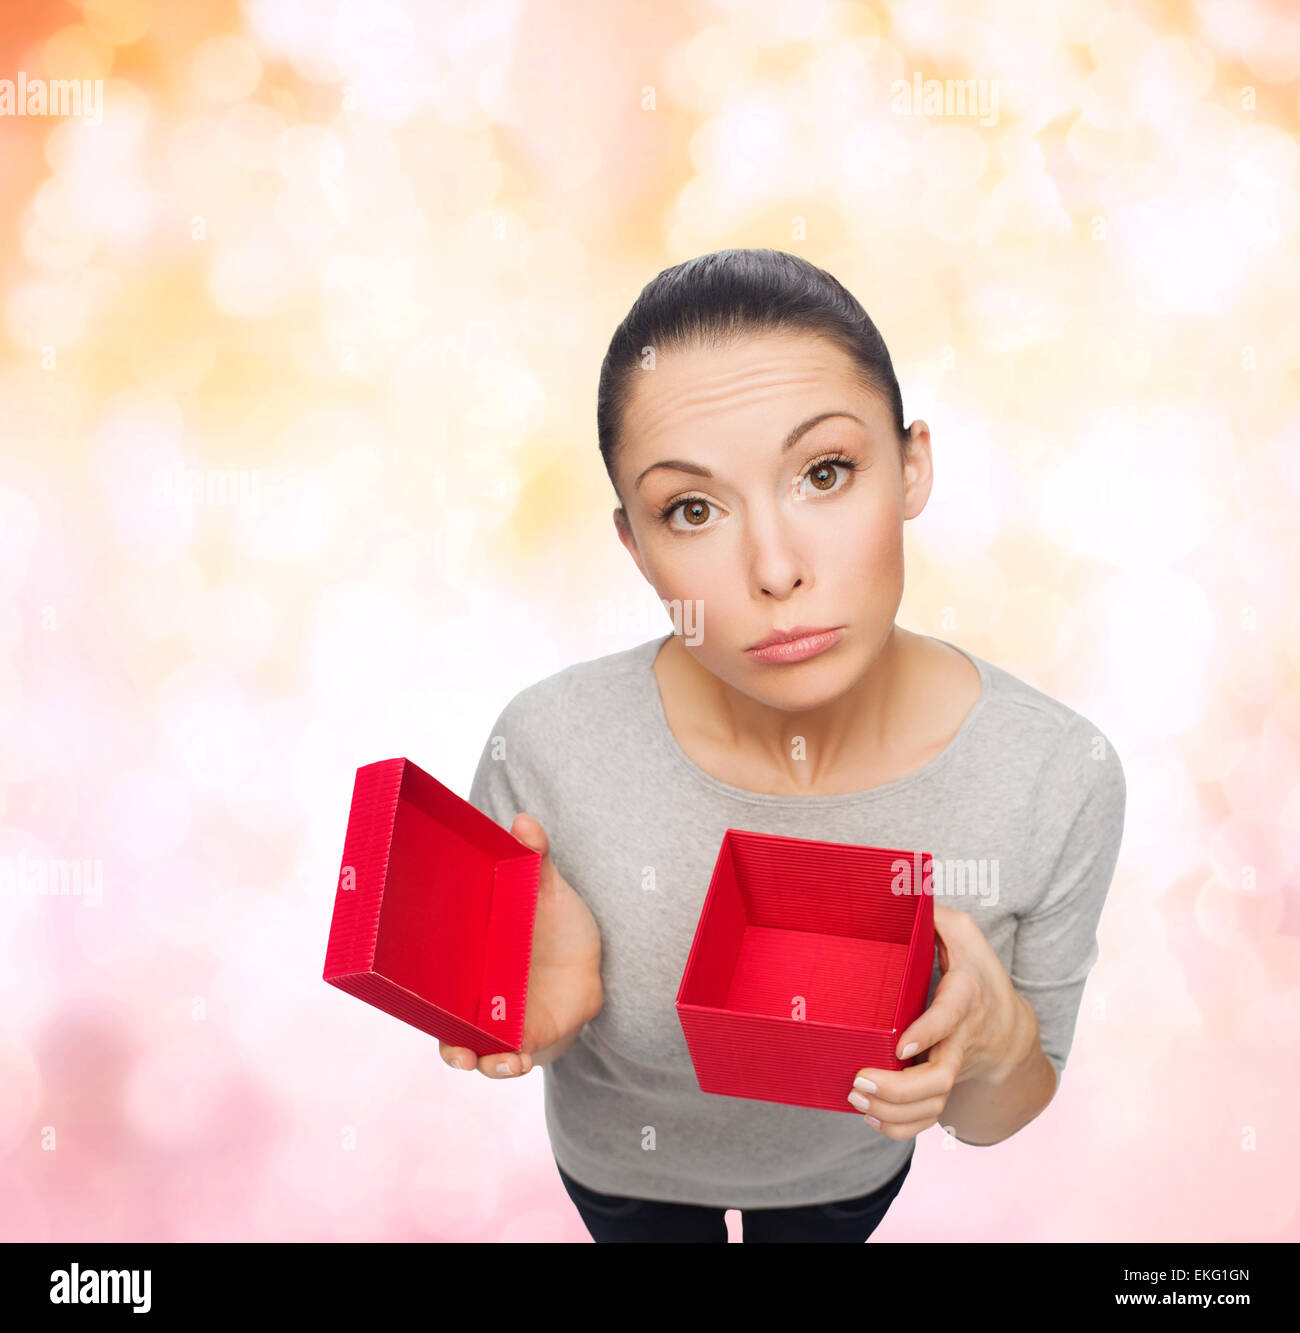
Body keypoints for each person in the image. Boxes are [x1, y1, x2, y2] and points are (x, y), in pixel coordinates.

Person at [440, 248, 1127, 1243]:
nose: (773, 567)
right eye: (691, 508)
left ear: (912, 467)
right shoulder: (545, 745)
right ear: (635, 544)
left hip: (840, 1180)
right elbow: (484, 992)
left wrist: (995, 1043)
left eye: (823, 472)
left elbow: (998, 1113)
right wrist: (512, 1006)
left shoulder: (1055, 777)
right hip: (618, 1170)